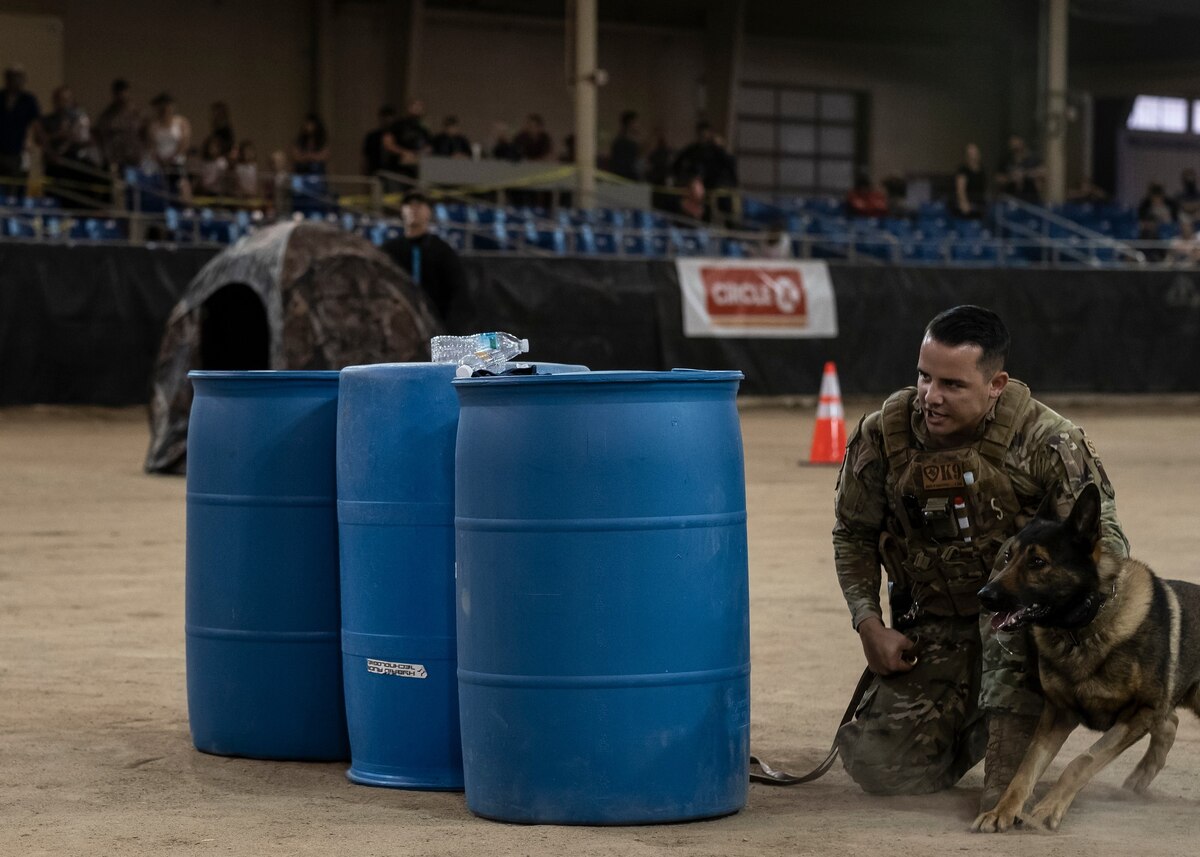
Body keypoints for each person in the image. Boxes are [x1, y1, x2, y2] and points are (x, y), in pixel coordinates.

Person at [832, 305, 1128, 810]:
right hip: (939, 629)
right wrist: (869, 624)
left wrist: (1061, 618)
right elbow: (853, 534)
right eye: (924, 377)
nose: (931, 396)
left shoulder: (1049, 441)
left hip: (1025, 632)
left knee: (1005, 794)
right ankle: (977, 715)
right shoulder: (883, 435)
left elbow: (1109, 546)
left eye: (952, 384)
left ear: (996, 384)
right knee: (880, 767)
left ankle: (1019, 736)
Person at [380, 189, 467, 324]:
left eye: (419, 205)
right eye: (409, 205)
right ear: (402, 211)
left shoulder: (441, 250)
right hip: (399, 321)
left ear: (429, 212)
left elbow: (457, 290)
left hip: (434, 321)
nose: (414, 209)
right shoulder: (389, 250)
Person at [0, 66, 41, 192]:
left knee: (15, 187)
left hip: (17, 153)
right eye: (12, 77)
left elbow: (36, 125)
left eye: (19, 78)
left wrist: (41, 143)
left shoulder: (28, 100)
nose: (15, 81)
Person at [144, 92, 191, 194]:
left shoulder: (181, 122)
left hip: (176, 162)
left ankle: (186, 203)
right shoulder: (153, 125)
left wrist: (172, 158)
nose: (165, 110)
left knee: (182, 183)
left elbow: (184, 143)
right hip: (158, 163)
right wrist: (160, 160)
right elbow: (151, 145)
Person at [94, 78, 143, 173]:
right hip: (114, 158)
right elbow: (98, 133)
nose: (122, 96)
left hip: (133, 157)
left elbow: (143, 132)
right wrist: (104, 153)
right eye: (119, 93)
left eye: (124, 92)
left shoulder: (135, 113)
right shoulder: (108, 115)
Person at [382, 98, 431, 179]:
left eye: (420, 106)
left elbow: (428, 147)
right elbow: (387, 143)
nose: (417, 109)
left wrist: (420, 154)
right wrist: (404, 153)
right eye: (415, 106)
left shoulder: (423, 129)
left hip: (417, 171)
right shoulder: (398, 124)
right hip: (397, 170)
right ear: (409, 108)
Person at [995, 135, 1043, 204]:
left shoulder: (1032, 159)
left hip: (1030, 197)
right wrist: (1011, 178)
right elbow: (998, 178)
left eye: (1017, 142)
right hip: (1010, 198)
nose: (1015, 145)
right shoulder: (1006, 160)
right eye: (1013, 143)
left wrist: (1025, 174)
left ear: (1022, 142)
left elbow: (1042, 173)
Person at [954, 143, 987, 218]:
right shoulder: (963, 170)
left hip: (980, 204)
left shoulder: (982, 170)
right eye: (970, 154)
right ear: (966, 156)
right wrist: (964, 203)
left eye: (975, 153)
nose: (973, 156)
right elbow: (960, 190)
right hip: (968, 205)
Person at [608, 110, 640, 181]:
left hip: (625, 176)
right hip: (623, 178)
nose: (638, 125)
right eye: (636, 122)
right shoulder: (622, 142)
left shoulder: (628, 140)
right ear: (630, 123)